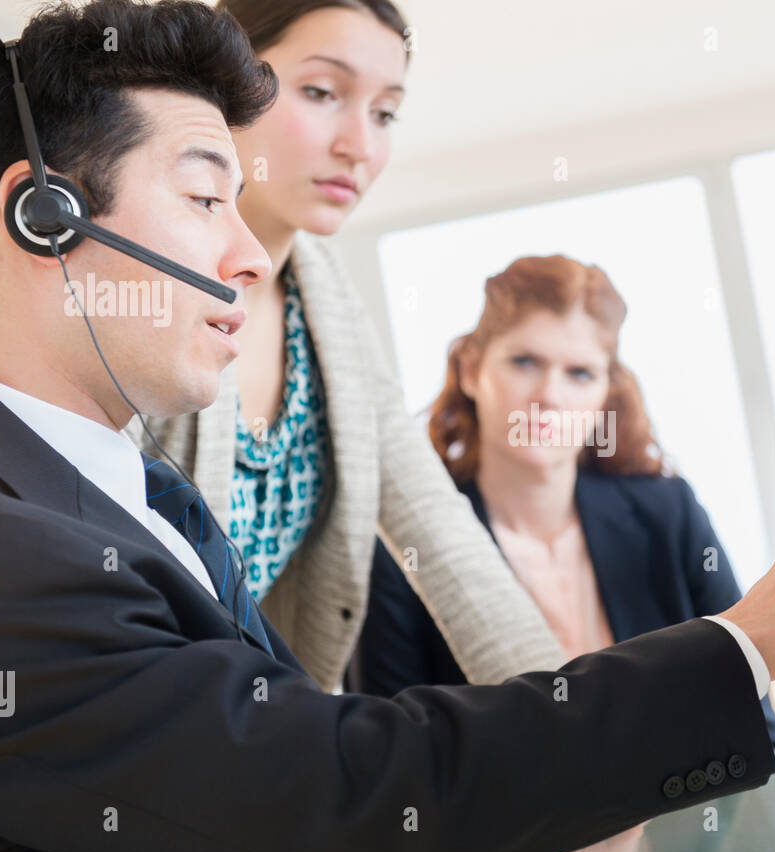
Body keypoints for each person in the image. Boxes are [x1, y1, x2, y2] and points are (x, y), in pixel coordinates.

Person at [0, 0, 775, 852]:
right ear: (46, 217)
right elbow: (330, 781)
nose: (244, 260)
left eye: (387, 111)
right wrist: (732, 651)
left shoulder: (130, 475)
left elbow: (449, 574)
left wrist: (599, 781)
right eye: (202, 195)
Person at [126, 0, 567, 694]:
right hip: (132, 735)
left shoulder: (328, 304)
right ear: (222, 81)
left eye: (385, 113)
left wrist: (579, 730)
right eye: (323, 93)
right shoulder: (137, 289)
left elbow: (444, 538)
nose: (360, 146)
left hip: (256, 741)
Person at [352, 254, 775, 756]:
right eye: (524, 362)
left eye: (580, 373)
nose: (549, 397)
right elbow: (395, 760)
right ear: (471, 370)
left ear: (606, 392)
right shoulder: (400, 550)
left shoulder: (668, 512)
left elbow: (754, 717)